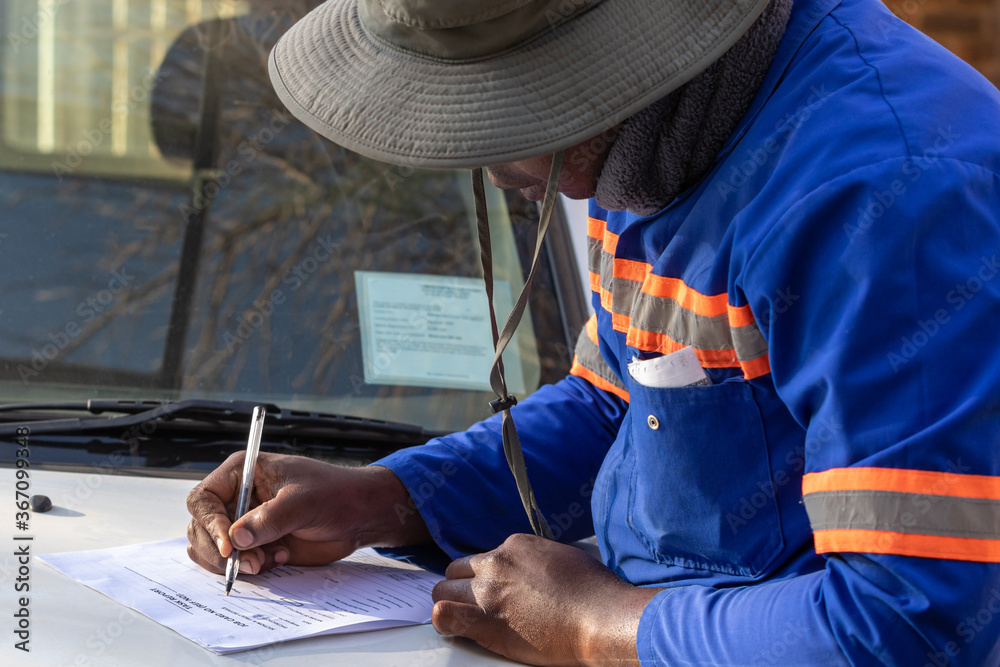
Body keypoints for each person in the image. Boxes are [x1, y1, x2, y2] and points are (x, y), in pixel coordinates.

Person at [187, 0, 1000, 664]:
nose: (488, 156)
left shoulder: (891, 200)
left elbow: (912, 623)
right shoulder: (652, 133)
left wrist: (603, 625)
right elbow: (619, 407)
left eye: (503, 95)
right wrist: (385, 501)